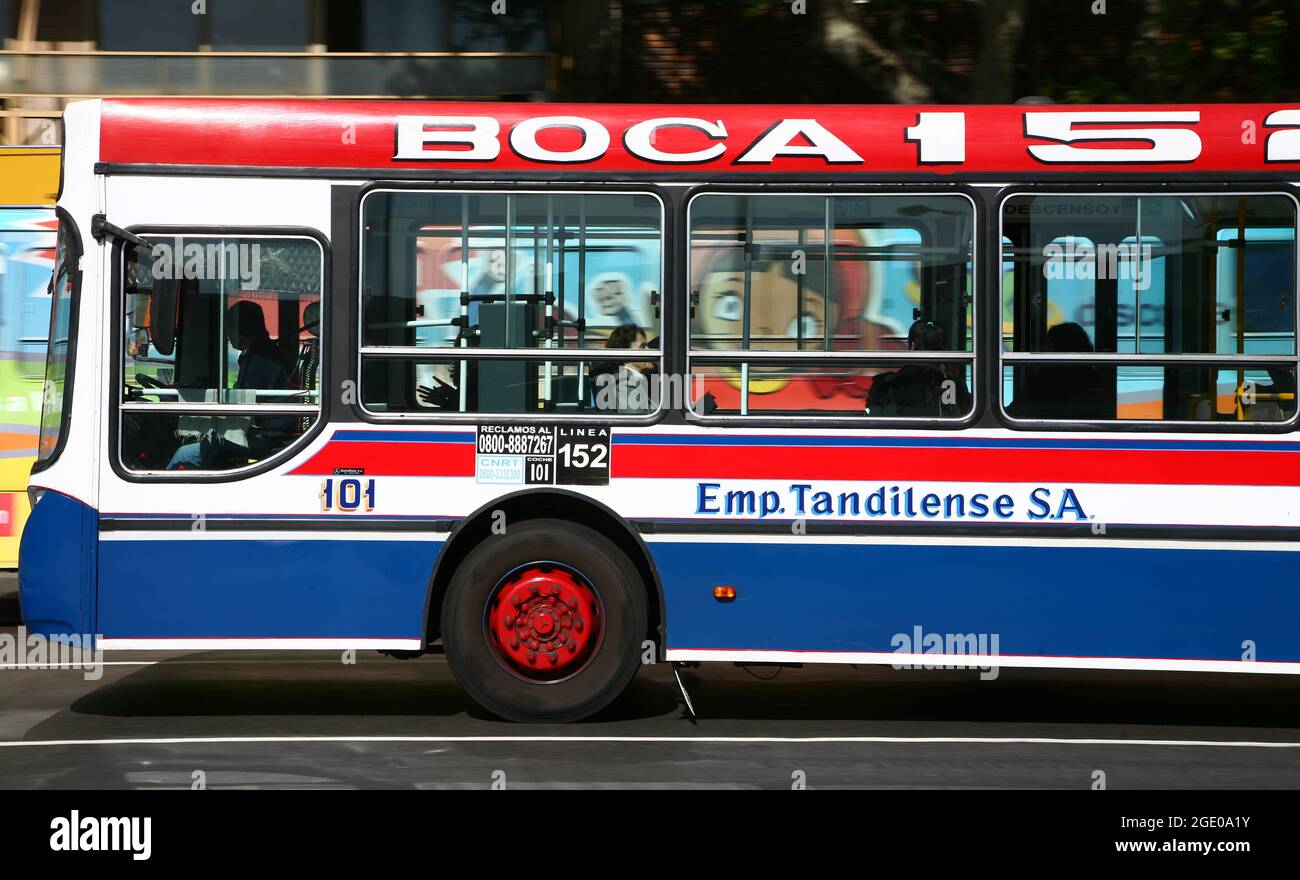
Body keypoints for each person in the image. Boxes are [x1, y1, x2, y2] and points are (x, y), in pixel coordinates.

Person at [168, 301, 292, 469]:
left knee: (183, 454)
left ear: (242, 329)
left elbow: (243, 402)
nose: (227, 335)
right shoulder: (261, 353)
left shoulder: (258, 359)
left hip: (261, 437)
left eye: (229, 328)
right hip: (265, 432)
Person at [866, 319, 970, 417]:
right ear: (943, 347)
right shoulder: (956, 384)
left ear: (912, 345)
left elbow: (869, 413)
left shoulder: (887, 384)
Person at [591, 324, 652, 412]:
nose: (649, 350)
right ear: (625, 355)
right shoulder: (623, 383)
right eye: (642, 347)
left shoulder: (636, 379)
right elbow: (635, 418)